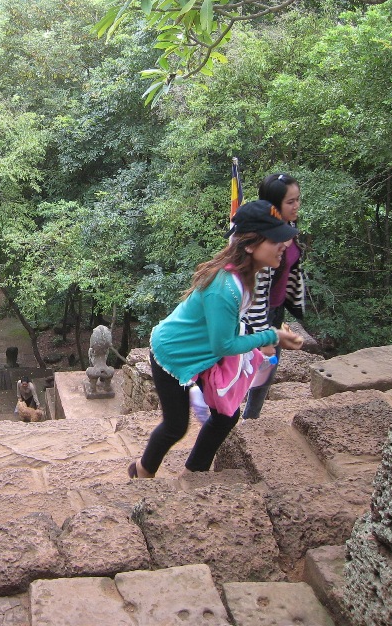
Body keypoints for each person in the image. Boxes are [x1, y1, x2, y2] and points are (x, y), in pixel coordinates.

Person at [128, 200, 304, 478]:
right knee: (175, 426)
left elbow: (234, 326)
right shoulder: (225, 288)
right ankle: (141, 471)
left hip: (203, 353)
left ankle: (194, 474)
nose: (284, 245)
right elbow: (224, 345)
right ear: (250, 245)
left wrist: (264, 336)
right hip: (174, 354)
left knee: (226, 416)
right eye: (275, 239)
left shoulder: (247, 277)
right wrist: (271, 336)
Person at [242, 173, 306, 419]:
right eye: (290, 202)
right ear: (273, 205)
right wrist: (263, 333)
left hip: (276, 309)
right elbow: (254, 292)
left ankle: (250, 421)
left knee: (267, 372)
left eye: (297, 200)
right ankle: (226, 423)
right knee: (247, 369)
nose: (296, 206)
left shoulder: (288, 230)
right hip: (255, 314)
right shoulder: (261, 239)